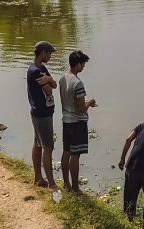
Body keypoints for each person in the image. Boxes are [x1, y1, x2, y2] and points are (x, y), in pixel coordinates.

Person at [59, 50, 96, 193]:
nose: (84, 66)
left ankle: (66, 183)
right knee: (75, 154)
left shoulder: (63, 78)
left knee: (66, 151)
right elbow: (81, 108)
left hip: (66, 120)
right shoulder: (78, 83)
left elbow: (69, 100)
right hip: (77, 123)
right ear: (78, 64)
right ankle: (75, 187)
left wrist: (82, 103)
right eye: (83, 63)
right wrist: (89, 103)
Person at [27, 41, 57, 189]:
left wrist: (49, 79)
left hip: (39, 112)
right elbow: (50, 90)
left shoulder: (42, 68)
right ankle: (51, 183)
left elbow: (54, 84)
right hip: (42, 113)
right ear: (43, 53)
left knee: (38, 144)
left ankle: (38, 178)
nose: (51, 56)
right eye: (50, 53)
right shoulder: (35, 71)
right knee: (48, 146)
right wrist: (49, 82)